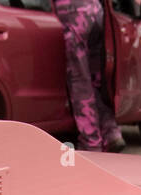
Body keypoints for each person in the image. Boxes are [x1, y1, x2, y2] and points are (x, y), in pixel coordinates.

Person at [51, 0, 125, 153]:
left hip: (73, 16)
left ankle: (91, 142)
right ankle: (111, 132)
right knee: (96, 80)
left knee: (80, 82)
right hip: (96, 11)